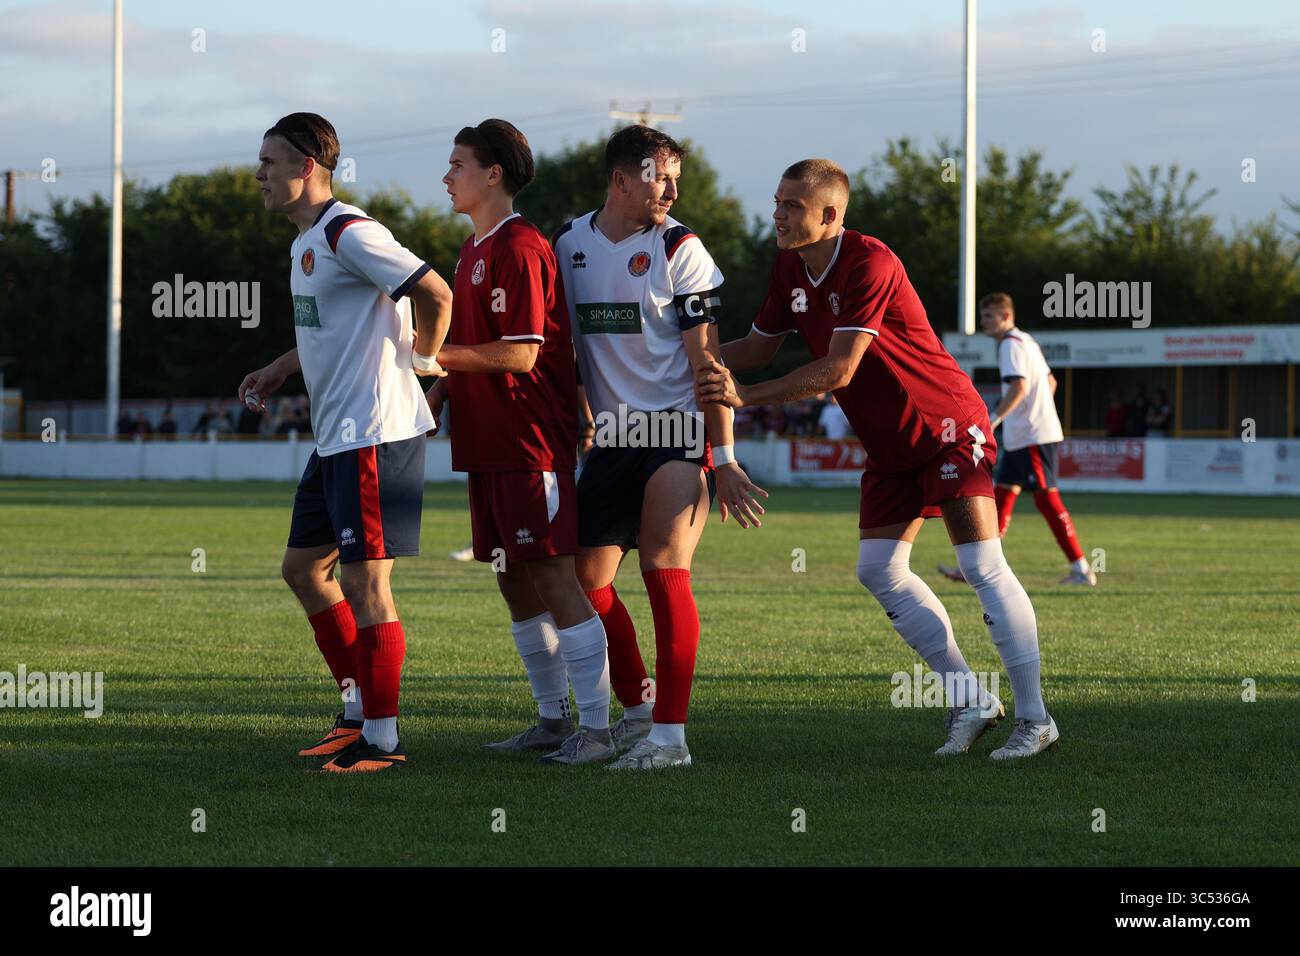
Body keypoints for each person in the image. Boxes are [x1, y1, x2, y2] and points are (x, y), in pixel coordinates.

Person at [700, 158, 1058, 760]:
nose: (777, 214)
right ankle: (970, 698)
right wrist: (674, 357)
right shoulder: (789, 265)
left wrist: (745, 395)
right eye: (777, 201)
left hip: (947, 427)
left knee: (981, 565)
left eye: (792, 205)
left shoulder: (871, 260)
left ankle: (1036, 719)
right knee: (878, 570)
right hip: (890, 444)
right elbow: (758, 349)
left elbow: (838, 369)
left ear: (831, 214)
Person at [238, 112, 453, 773]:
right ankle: (356, 711)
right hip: (336, 439)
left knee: (366, 585)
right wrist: (281, 366)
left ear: (307, 167)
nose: (259, 174)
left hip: (373, 435)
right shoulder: (307, 245)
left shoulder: (349, 231)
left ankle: (382, 742)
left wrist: (426, 362)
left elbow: (434, 292)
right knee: (303, 570)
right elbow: (332, 326)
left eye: (270, 162)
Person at [553, 125, 768, 770]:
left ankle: (670, 740)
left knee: (664, 573)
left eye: (677, 177)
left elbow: (709, 368)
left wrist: (723, 459)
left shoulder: (682, 248)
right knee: (582, 582)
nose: (672, 189)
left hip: (676, 434)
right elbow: (557, 346)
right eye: (658, 176)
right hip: (614, 439)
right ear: (621, 180)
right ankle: (637, 704)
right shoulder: (568, 244)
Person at [425, 118, 612, 764]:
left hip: (531, 443)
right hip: (486, 445)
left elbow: (521, 355)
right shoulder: (472, 250)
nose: (447, 177)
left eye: (458, 165)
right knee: (512, 579)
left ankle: (598, 727)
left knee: (556, 577)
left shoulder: (522, 246)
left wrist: (433, 358)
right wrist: (440, 389)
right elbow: (473, 347)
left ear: (493, 173)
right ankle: (553, 720)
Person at [938, 293, 1096, 587]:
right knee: (1000, 498)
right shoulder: (1027, 341)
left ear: (1006, 317)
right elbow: (1050, 382)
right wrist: (1038, 410)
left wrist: (994, 420)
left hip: (1031, 436)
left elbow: (1019, 386)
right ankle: (979, 566)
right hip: (1025, 434)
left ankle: (1082, 569)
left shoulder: (1010, 344)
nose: (983, 321)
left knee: (1047, 500)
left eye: (988, 316)